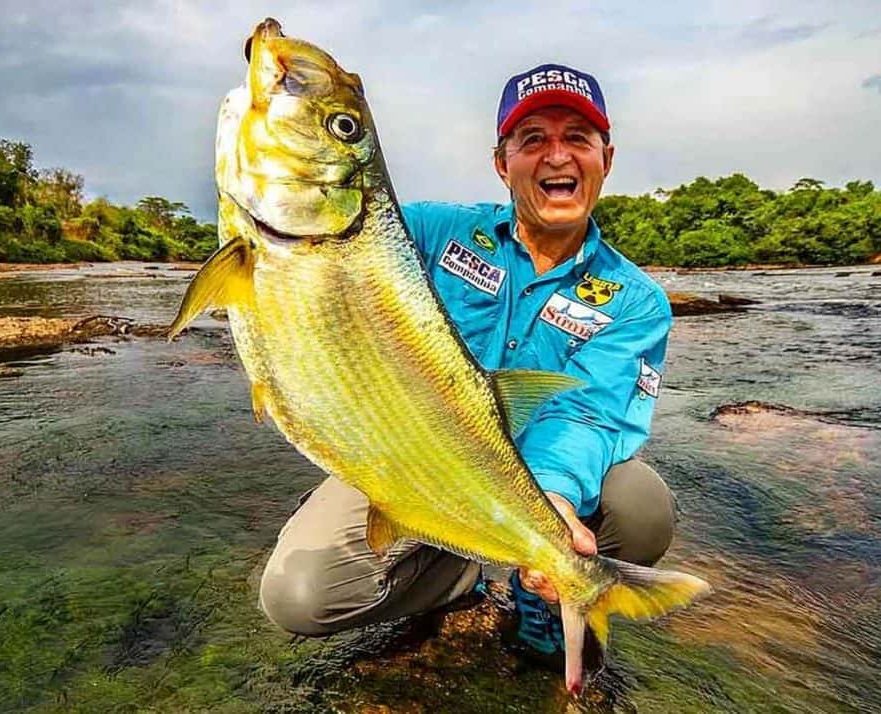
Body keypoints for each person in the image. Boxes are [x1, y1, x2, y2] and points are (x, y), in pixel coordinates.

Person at [258, 63, 676, 671]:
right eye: (532, 139)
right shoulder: (426, 232)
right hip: (410, 453)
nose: (556, 156)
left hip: (542, 474)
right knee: (298, 596)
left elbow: (591, 414)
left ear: (605, 159)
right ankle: (460, 577)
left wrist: (552, 503)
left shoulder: (636, 300)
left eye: (577, 139)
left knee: (640, 505)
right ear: (502, 162)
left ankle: (547, 596)